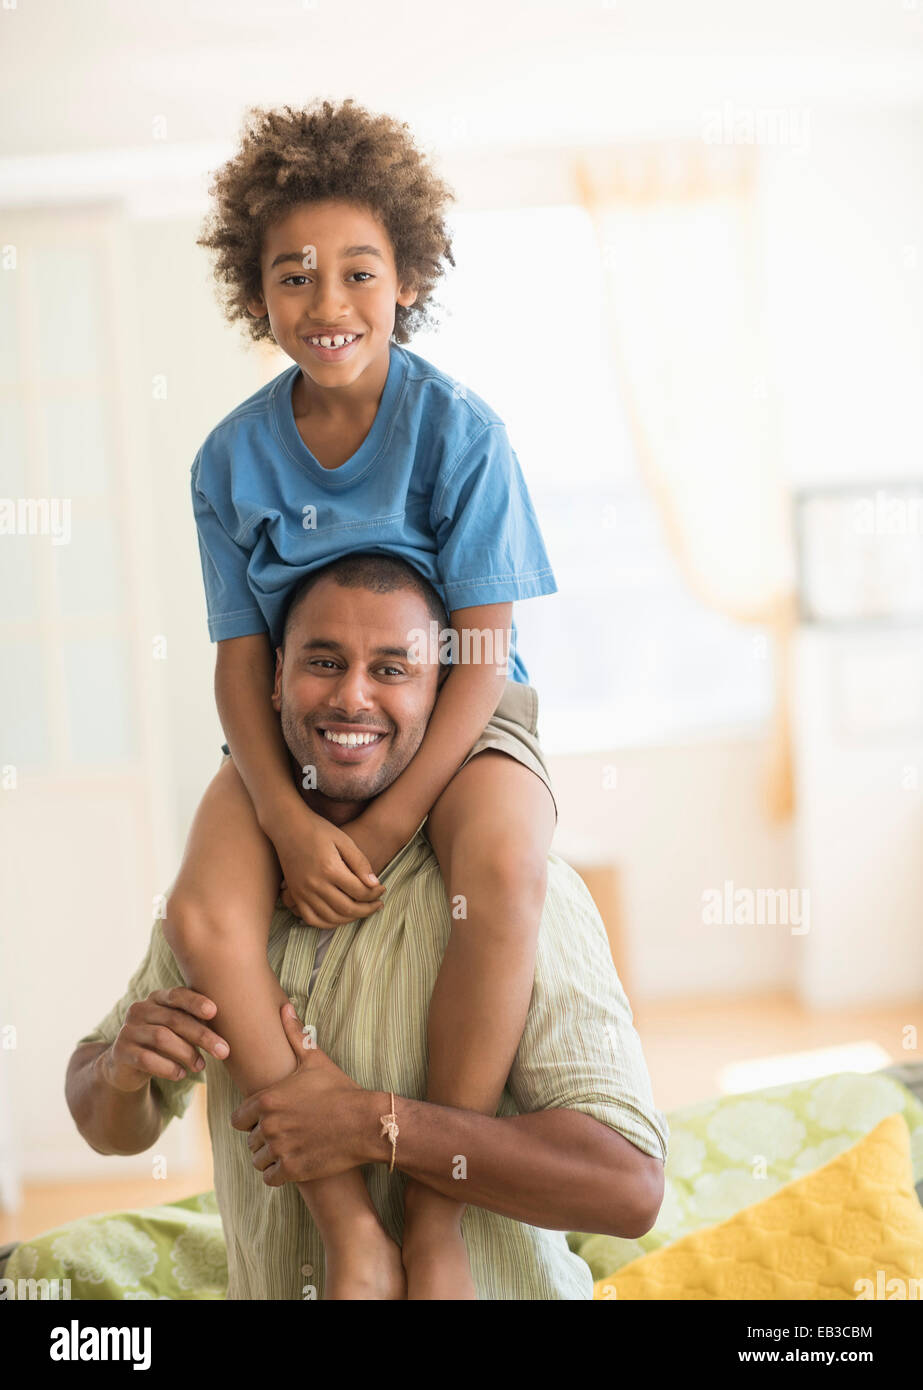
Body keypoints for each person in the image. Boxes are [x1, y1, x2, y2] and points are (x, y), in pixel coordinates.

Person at [163, 98, 562, 1299]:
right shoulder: (227, 462)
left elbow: (482, 656)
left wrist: (387, 827)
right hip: (295, 731)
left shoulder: (461, 436)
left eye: (356, 272)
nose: (326, 303)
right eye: (293, 276)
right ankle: (349, 1223)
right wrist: (287, 820)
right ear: (257, 294)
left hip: (458, 719)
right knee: (203, 910)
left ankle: (434, 1209)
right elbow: (241, 664)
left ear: (406, 280)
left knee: (501, 872)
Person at [66, 557, 669, 1301]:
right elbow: (109, 1124)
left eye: (392, 670)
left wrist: (374, 1126)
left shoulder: (508, 894)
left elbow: (627, 1186)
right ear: (278, 675)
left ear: (439, 695)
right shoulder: (222, 900)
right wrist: (120, 1073)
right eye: (324, 662)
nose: (352, 696)